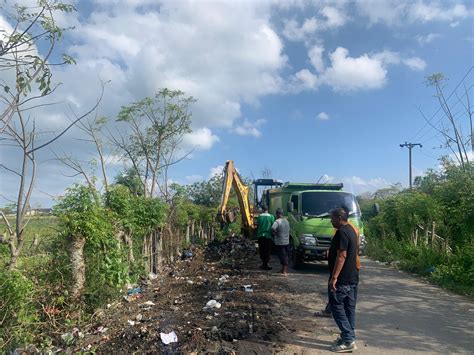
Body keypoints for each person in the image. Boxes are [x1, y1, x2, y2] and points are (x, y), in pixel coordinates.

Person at [327, 207, 360, 353]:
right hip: (352, 277)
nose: (330, 220)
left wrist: (334, 278)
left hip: (343, 279)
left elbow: (342, 256)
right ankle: (349, 337)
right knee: (349, 308)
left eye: (332, 218)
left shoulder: (341, 232)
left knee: (336, 306)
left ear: (339, 218)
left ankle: (348, 339)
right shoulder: (352, 230)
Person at [271, 208, 290, 275]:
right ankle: (282, 269)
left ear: (277, 214)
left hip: (280, 242)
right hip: (286, 241)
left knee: (282, 256)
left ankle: (284, 271)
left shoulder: (277, 222)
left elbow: (272, 228)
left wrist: (276, 233)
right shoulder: (287, 221)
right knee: (285, 255)